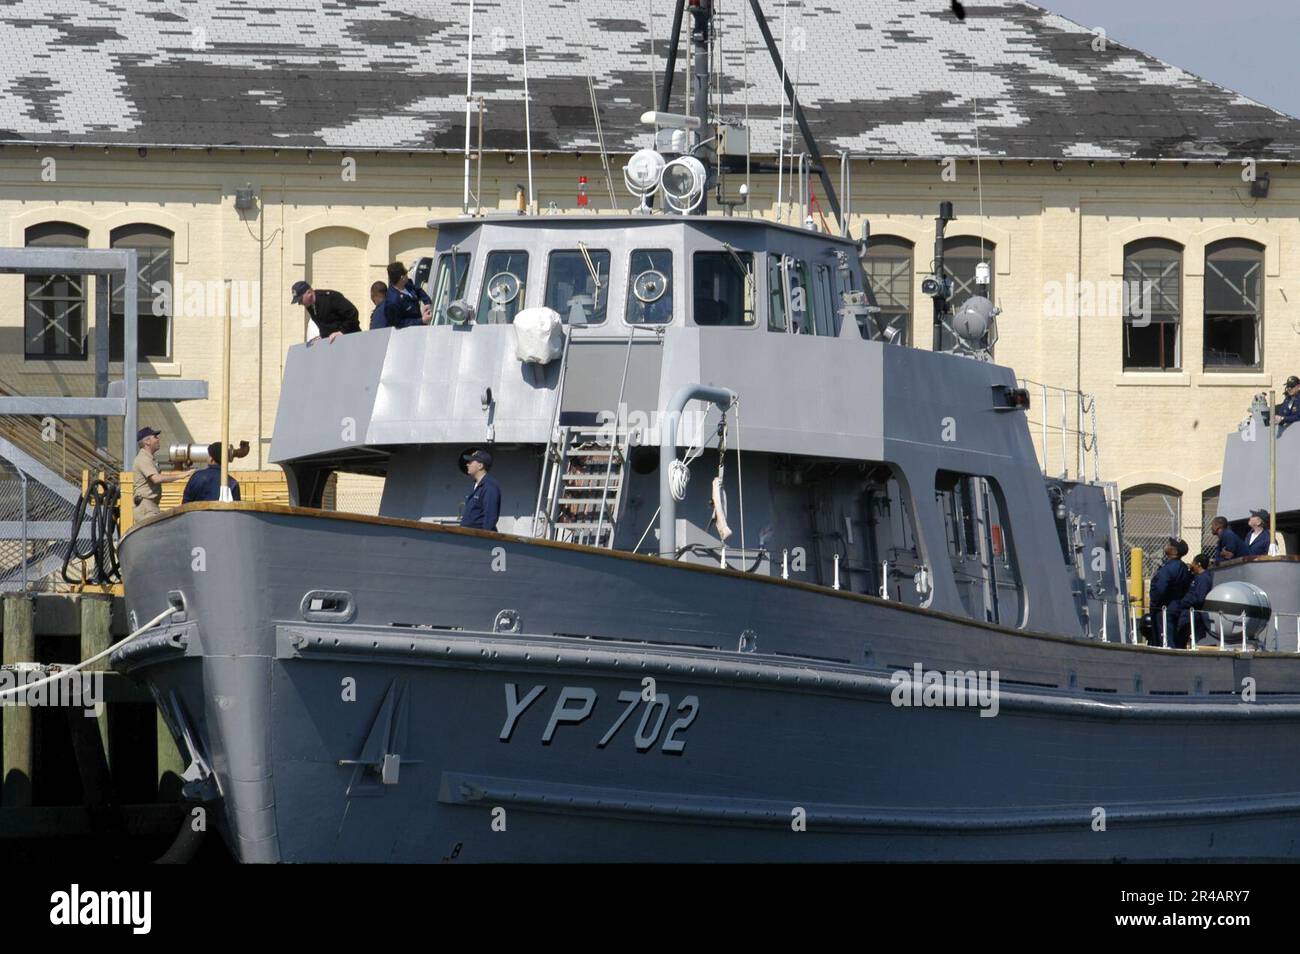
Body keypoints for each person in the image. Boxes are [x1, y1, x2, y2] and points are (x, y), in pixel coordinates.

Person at [131, 427, 190, 522]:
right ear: (147, 442)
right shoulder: (143, 459)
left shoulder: (150, 459)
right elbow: (156, 479)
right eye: (155, 437)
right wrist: (182, 475)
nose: (158, 439)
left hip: (150, 506)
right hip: (146, 507)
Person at [1148, 537, 1191, 646]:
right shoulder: (1183, 567)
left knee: (1165, 640)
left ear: (1174, 551)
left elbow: (1160, 589)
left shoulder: (1169, 568)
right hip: (1176, 606)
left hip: (1164, 608)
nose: (1167, 545)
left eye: (1170, 544)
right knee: (1171, 637)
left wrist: (1154, 603)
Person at [291, 280, 360, 344]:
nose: (300, 303)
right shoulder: (310, 306)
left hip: (351, 339)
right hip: (334, 343)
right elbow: (325, 323)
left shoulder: (330, 298)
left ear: (309, 292)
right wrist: (323, 336)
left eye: (300, 300)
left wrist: (342, 332)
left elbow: (352, 312)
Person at [1170, 554, 1213, 649]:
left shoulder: (1204, 578)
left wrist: (1184, 602)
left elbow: (1200, 598)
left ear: (1198, 564)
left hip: (1191, 612)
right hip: (1185, 611)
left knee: (1181, 636)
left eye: (1193, 563)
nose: (1192, 565)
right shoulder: (1196, 576)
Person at [373, 262, 433, 330]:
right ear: (402, 277)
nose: (407, 275)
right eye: (406, 273)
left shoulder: (407, 284)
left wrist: (427, 302)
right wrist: (421, 320)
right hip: (408, 335)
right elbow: (398, 324)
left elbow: (418, 290)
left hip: (420, 329)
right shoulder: (392, 301)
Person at [459, 448, 501, 531]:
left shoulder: (490, 486)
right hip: (468, 535)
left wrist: (484, 539)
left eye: (470, 462)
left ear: (480, 466)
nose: (467, 464)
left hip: (478, 538)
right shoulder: (475, 485)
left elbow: (490, 518)